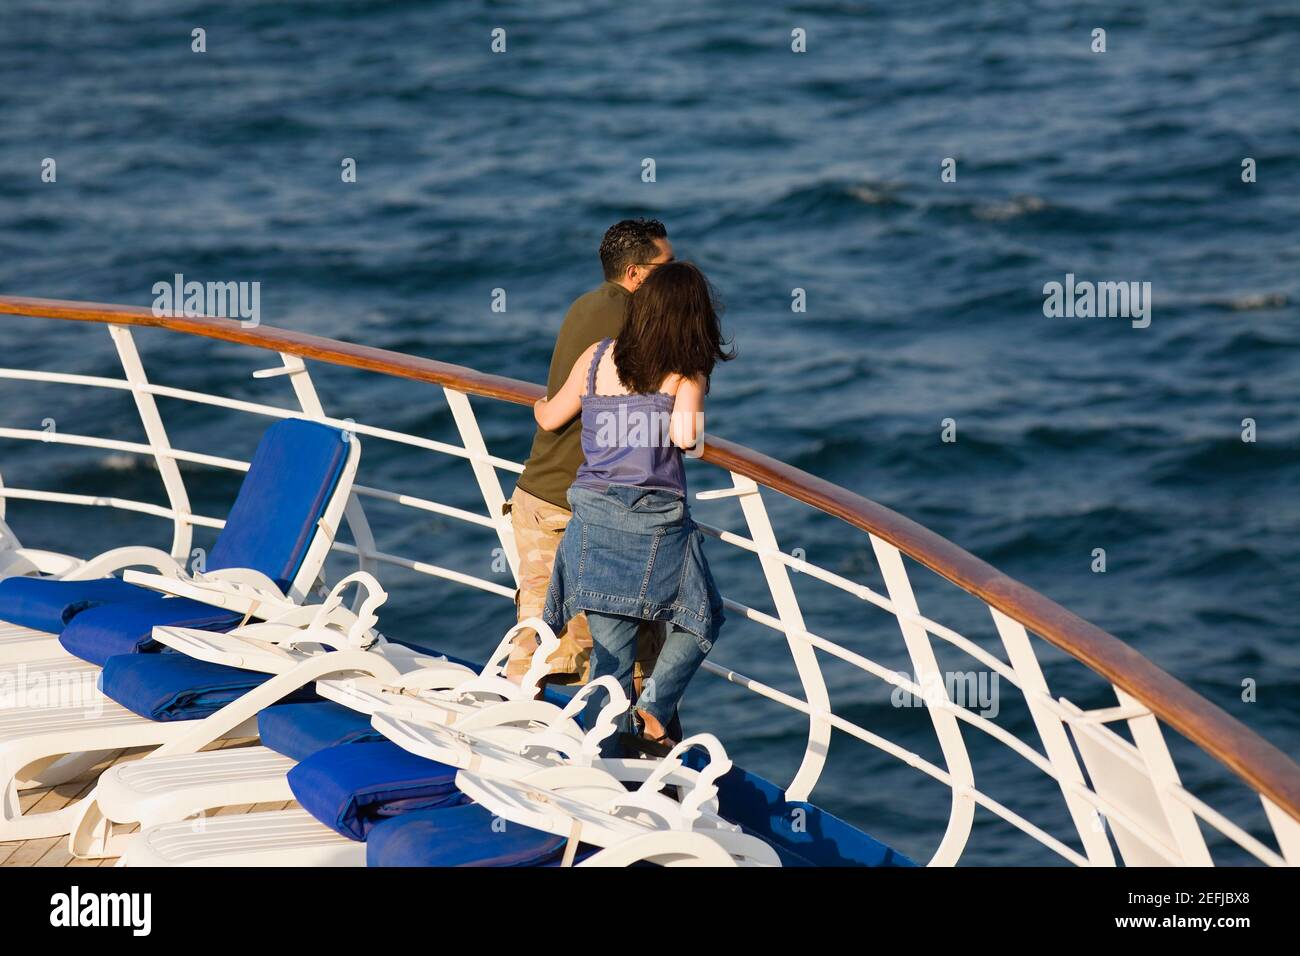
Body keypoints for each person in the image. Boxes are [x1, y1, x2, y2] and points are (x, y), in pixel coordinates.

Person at [534, 261, 734, 753]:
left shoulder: (597, 356)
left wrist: (540, 406)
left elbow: (550, 413)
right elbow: (689, 440)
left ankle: (601, 762)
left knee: (611, 662)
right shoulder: (685, 375)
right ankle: (653, 712)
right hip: (655, 529)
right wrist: (695, 391)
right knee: (703, 618)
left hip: (593, 523)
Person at [505, 219, 674, 695]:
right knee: (627, 647)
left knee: (534, 639)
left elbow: (555, 409)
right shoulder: (634, 323)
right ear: (638, 274)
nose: (678, 274)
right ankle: (631, 752)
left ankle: (515, 739)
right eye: (669, 266)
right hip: (586, 503)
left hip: (537, 494)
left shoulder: (585, 305)